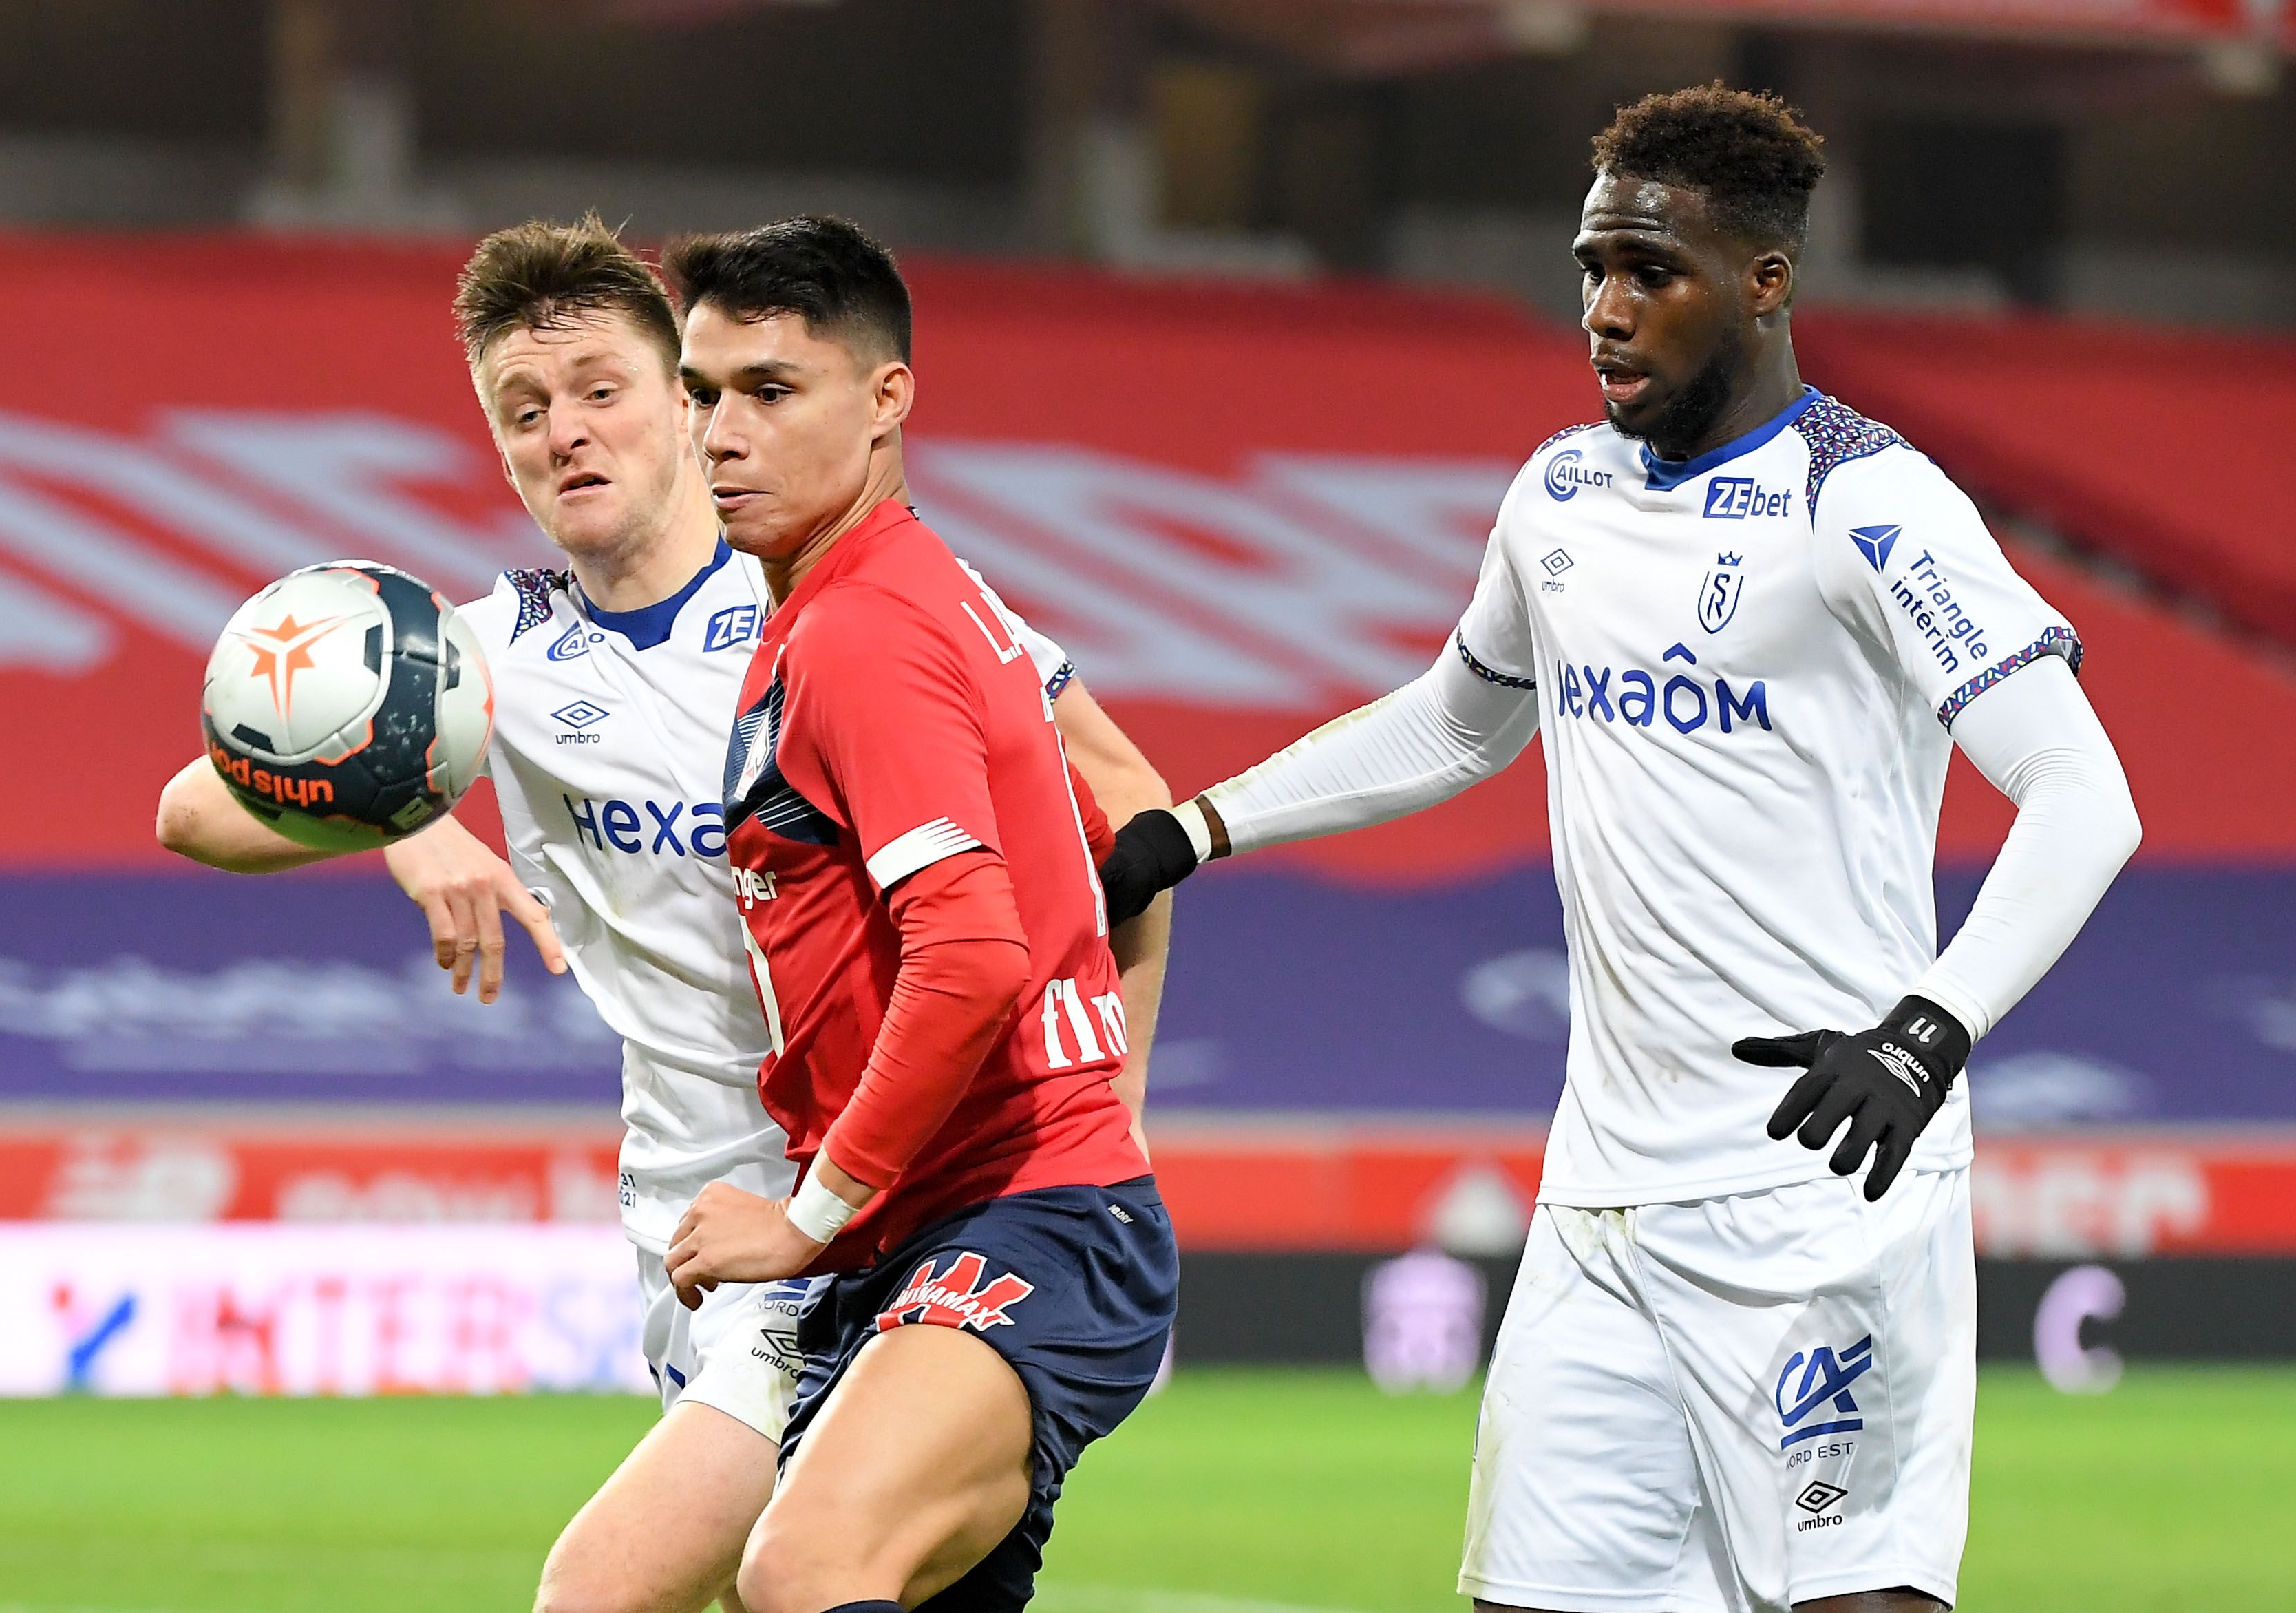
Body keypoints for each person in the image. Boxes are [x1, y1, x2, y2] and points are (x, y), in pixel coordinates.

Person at [1096, 85, 2140, 1613]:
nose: (1605, 309)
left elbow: (2083, 791)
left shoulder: (1867, 502)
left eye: (1654, 272)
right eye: (1593, 268)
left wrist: (1929, 1032)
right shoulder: (1560, 494)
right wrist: (1194, 828)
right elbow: (1458, 724)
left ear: (1766, 281)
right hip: (1602, 1197)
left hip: (1821, 1190)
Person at [155, 215, 1175, 1613]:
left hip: (861, 1201)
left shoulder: (835, 604)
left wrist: (1108, 1115)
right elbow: (197, 807)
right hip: (696, 1227)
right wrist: (412, 815)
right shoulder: (493, 659)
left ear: (687, 408)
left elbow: (1129, 811)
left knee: (624, 1590)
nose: (565, 432)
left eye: (604, 390)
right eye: (524, 410)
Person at [652, 218, 1176, 1613]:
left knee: (802, 1568)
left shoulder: (863, 629)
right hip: (957, 1218)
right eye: (701, 393)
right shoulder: (896, 591)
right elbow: (1135, 839)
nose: (719, 434)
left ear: (887, 399)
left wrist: (806, 1216)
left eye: (771, 391)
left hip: (1015, 1217)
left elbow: (971, 954)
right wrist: (1114, 1093)